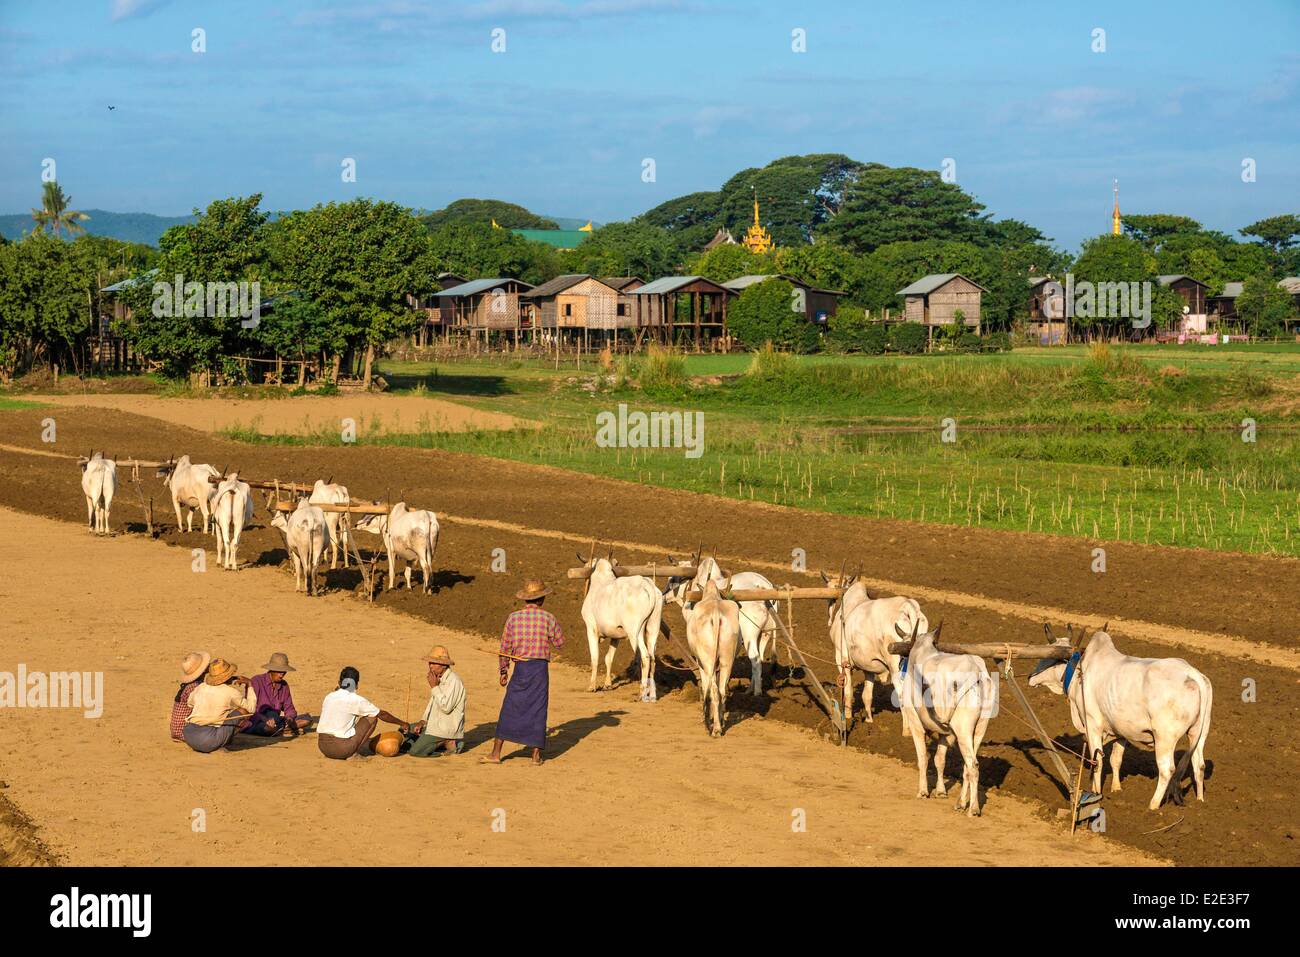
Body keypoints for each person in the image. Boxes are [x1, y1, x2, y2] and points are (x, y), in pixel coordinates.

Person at [483, 579, 564, 766]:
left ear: (525, 600)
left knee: (510, 707)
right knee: (538, 709)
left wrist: (503, 671)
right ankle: (535, 756)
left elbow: (505, 648)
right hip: (539, 670)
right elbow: (560, 643)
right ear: (542, 599)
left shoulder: (513, 618)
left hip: (521, 668)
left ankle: (496, 753)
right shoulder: (549, 618)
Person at [317, 666, 408, 760]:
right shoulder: (356, 700)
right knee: (372, 718)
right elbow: (382, 714)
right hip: (342, 750)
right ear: (356, 685)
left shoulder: (329, 696)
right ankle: (354, 752)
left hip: (323, 747)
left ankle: (350, 747)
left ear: (339, 683)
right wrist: (402, 723)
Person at [182, 659, 257, 754]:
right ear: (229, 676)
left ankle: (217, 741)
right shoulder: (231, 692)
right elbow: (251, 709)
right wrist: (249, 684)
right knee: (243, 711)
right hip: (209, 740)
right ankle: (220, 743)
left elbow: (190, 703)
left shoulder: (201, 687)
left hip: (189, 736)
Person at [407, 645, 466, 757]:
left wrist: (434, 687)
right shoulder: (439, 678)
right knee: (405, 730)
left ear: (444, 665)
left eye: (434, 663)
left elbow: (446, 707)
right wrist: (422, 721)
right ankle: (433, 741)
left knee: (415, 751)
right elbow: (433, 703)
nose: (430, 666)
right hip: (434, 724)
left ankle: (447, 742)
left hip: (444, 728)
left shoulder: (454, 682)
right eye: (430, 663)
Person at [239, 652, 311, 737]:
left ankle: (281, 730)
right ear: (271, 670)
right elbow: (251, 709)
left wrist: (289, 718)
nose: (282, 675)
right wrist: (266, 720)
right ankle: (281, 730)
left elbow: (289, 707)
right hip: (258, 719)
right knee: (265, 728)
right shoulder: (256, 681)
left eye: (284, 672)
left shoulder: (284, 685)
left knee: (307, 719)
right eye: (279, 671)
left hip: (276, 720)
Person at [171, 651, 211, 742]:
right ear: (203, 670)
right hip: (184, 731)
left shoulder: (189, 685)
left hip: (176, 730)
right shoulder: (195, 687)